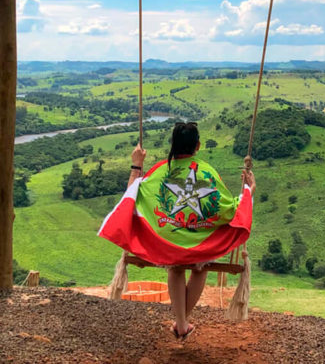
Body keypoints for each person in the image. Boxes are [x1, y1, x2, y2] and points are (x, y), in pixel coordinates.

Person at [99, 122, 255, 340]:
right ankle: (182, 323)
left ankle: (182, 325)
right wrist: (248, 192)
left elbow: (132, 195)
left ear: (173, 144)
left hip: (167, 243)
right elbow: (228, 208)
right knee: (201, 267)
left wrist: (136, 166)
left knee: (175, 268)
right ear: (198, 145)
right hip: (200, 244)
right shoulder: (208, 173)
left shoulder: (159, 171)